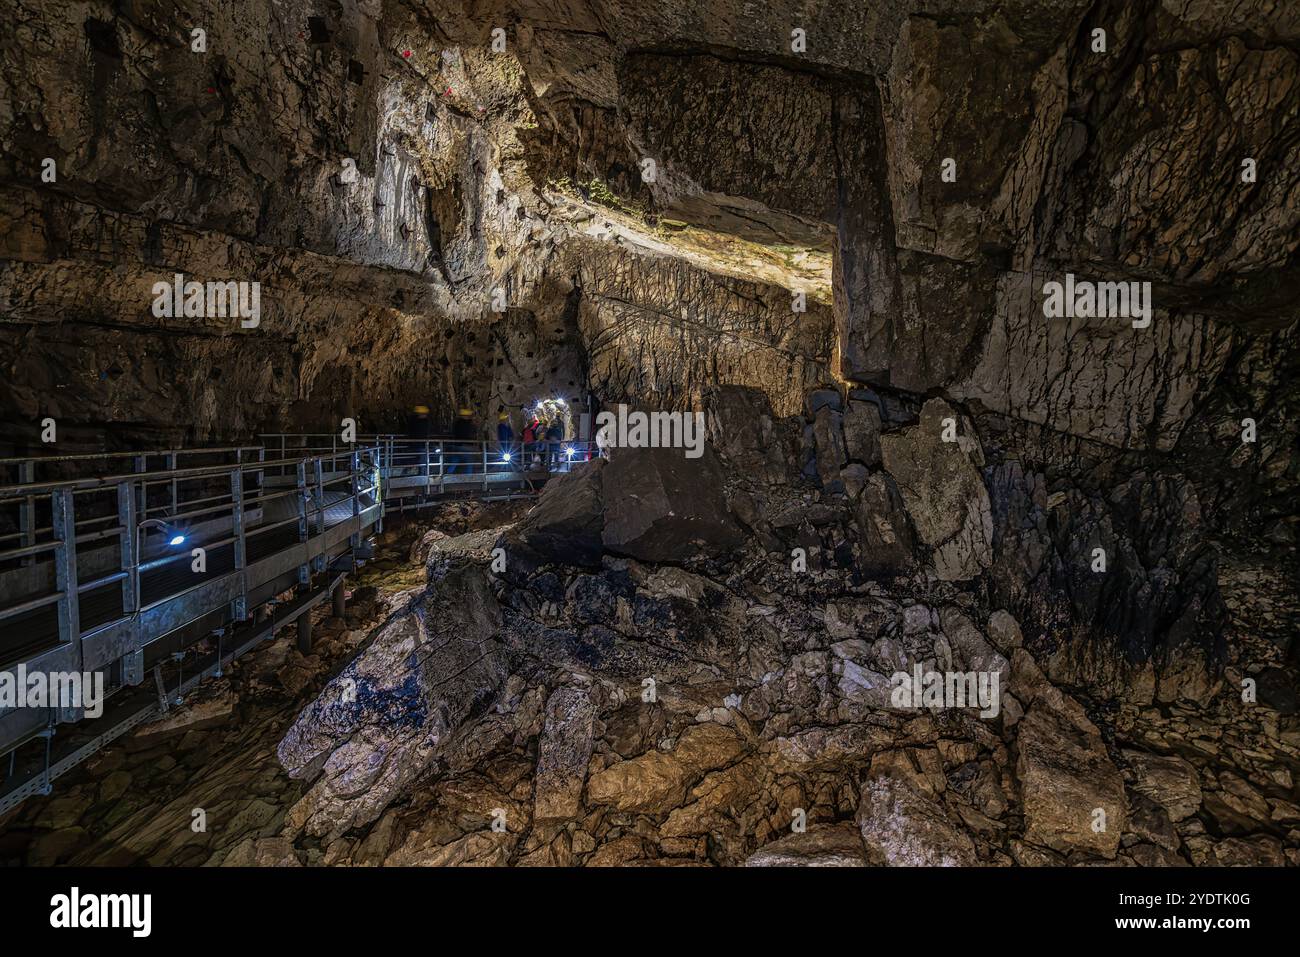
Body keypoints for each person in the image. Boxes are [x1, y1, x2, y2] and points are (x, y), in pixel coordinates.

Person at [448, 407, 477, 474]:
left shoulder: (457, 423)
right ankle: (468, 476)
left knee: (455, 460)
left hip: (457, 445)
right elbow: (469, 434)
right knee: (469, 462)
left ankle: (448, 474)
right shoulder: (468, 424)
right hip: (465, 446)